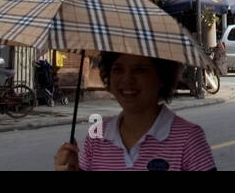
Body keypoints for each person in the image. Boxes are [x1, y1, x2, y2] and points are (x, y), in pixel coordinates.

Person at [55, 52, 216, 171]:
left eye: (139, 70)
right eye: (118, 69)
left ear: (161, 77)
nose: (127, 79)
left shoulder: (189, 139)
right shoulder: (97, 136)